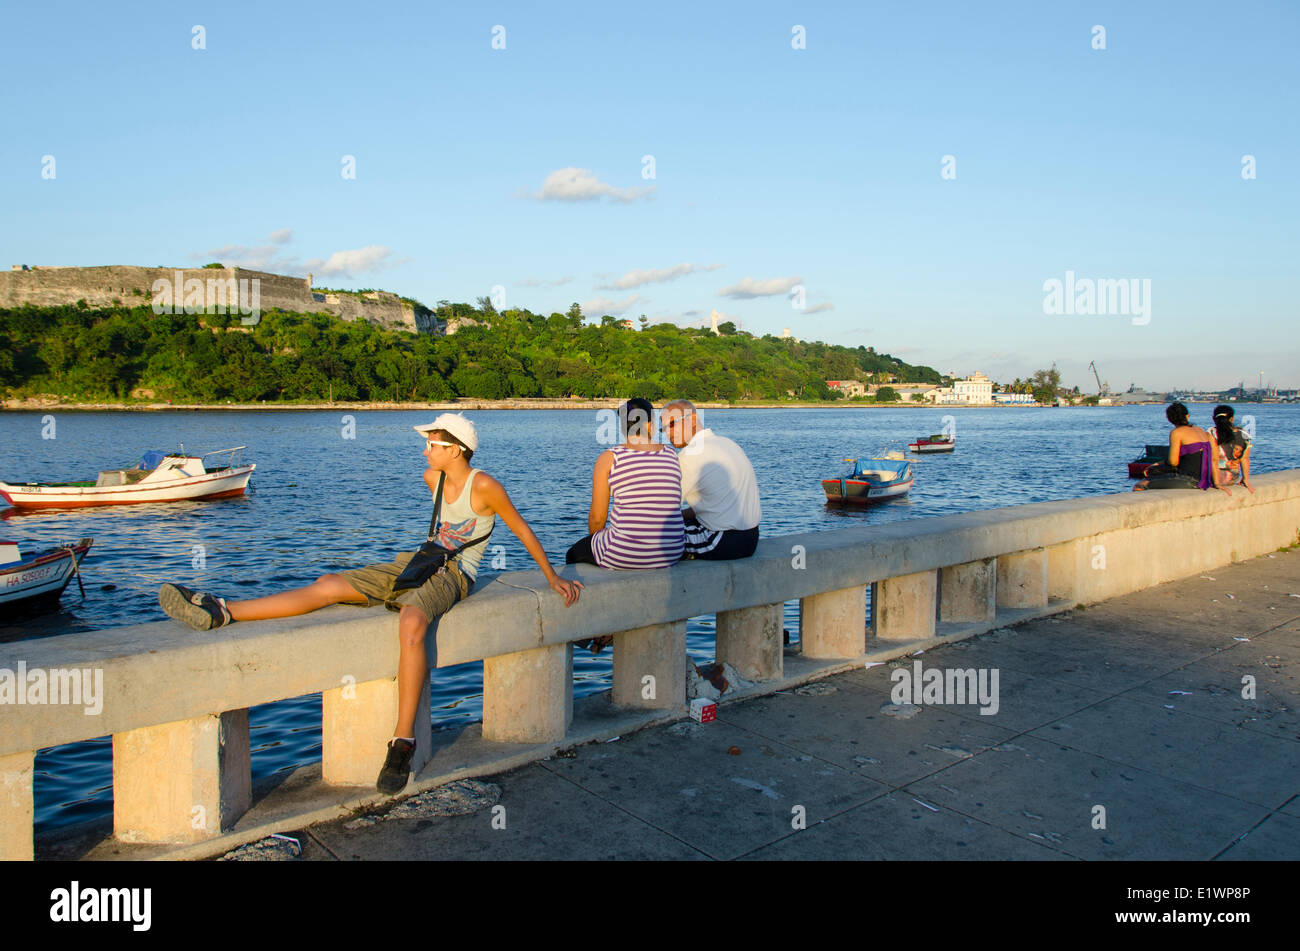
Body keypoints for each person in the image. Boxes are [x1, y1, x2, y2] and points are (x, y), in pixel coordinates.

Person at [158, 413, 582, 794]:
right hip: (417, 562)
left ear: (455, 449)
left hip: (455, 575)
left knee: (412, 620)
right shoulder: (431, 480)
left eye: (433, 443)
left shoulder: (485, 485)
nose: (425, 450)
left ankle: (402, 741)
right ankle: (223, 610)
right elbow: (436, 534)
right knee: (329, 585)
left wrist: (552, 579)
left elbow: (523, 530)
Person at [567, 398, 684, 652]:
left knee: (574, 554)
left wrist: (599, 545)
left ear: (622, 427)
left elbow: (598, 518)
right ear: (651, 425)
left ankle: (590, 628)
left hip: (625, 554)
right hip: (672, 552)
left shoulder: (610, 458)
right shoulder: (671, 455)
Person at [659, 399, 761, 559]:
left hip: (723, 540)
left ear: (692, 420)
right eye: (663, 428)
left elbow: (664, 510)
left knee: (655, 535)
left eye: (672, 425)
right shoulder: (727, 443)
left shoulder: (689, 455)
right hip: (751, 537)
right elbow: (714, 506)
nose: (668, 433)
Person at [1133, 402, 1231, 494]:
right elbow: (1214, 460)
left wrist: (1155, 467)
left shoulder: (1176, 433)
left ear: (1169, 419)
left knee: (1139, 486)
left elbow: (1173, 462)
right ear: (1187, 416)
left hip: (1189, 480)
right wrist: (1217, 483)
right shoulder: (1204, 433)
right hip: (1204, 480)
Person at [1211, 404, 1254, 494]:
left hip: (1214, 479)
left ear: (1213, 419)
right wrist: (1245, 479)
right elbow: (1245, 459)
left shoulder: (1212, 433)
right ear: (1232, 419)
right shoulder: (1244, 435)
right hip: (1232, 479)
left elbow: (1214, 460)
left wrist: (1217, 483)